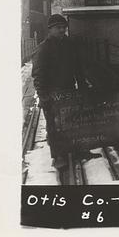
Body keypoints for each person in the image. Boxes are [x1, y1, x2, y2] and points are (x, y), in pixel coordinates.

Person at [31, 14, 84, 166]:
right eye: (58, 28)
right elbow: (38, 75)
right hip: (52, 93)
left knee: (73, 121)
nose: (62, 30)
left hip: (69, 90)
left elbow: (78, 68)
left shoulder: (70, 45)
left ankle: (76, 150)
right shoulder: (43, 48)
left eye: (64, 27)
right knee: (54, 125)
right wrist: (43, 96)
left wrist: (82, 87)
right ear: (50, 30)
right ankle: (58, 156)